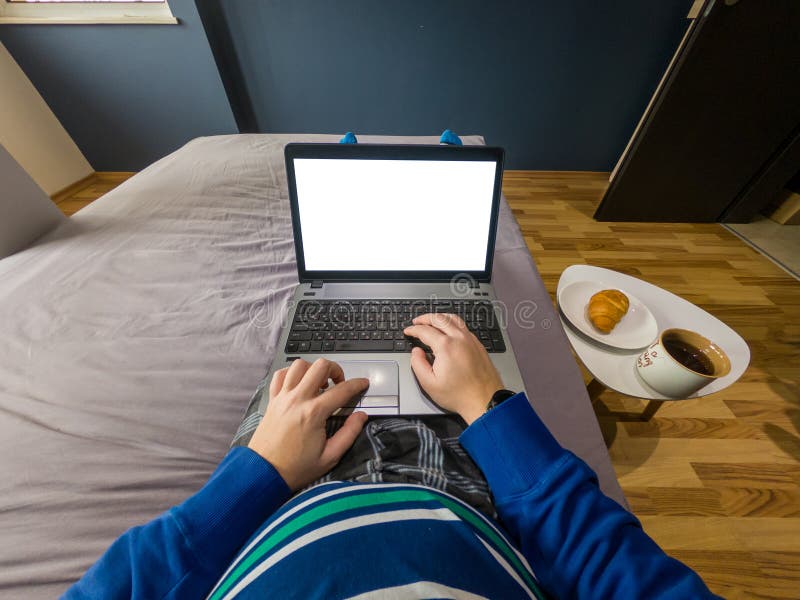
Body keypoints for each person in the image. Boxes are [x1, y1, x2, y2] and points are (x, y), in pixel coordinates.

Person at [64, 313, 718, 599]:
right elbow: (618, 573)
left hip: (266, 504)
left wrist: (261, 473)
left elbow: (131, 587)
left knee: (303, 368)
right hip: (468, 503)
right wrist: (488, 406)